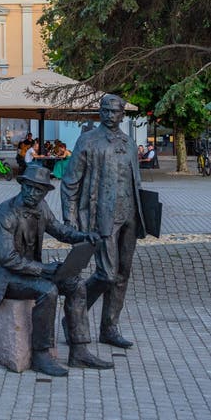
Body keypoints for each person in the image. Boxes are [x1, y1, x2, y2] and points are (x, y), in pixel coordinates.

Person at [0, 164, 113, 376]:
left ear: (44, 192)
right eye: (29, 187)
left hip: (30, 271)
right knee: (47, 291)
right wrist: (44, 269)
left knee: (77, 285)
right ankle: (40, 354)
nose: (32, 193)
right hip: (4, 277)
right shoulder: (5, 213)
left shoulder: (41, 208)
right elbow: (7, 259)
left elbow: (60, 231)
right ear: (22, 185)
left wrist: (84, 237)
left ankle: (80, 350)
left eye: (38, 190)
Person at [61, 93, 146, 349]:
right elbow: (70, 182)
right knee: (106, 274)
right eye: (106, 110)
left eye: (115, 111)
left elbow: (136, 180)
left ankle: (109, 328)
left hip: (130, 215)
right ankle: (73, 316)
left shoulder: (129, 143)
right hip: (102, 217)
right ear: (100, 112)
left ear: (122, 114)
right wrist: (71, 219)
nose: (110, 115)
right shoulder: (88, 141)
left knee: (122, 274)